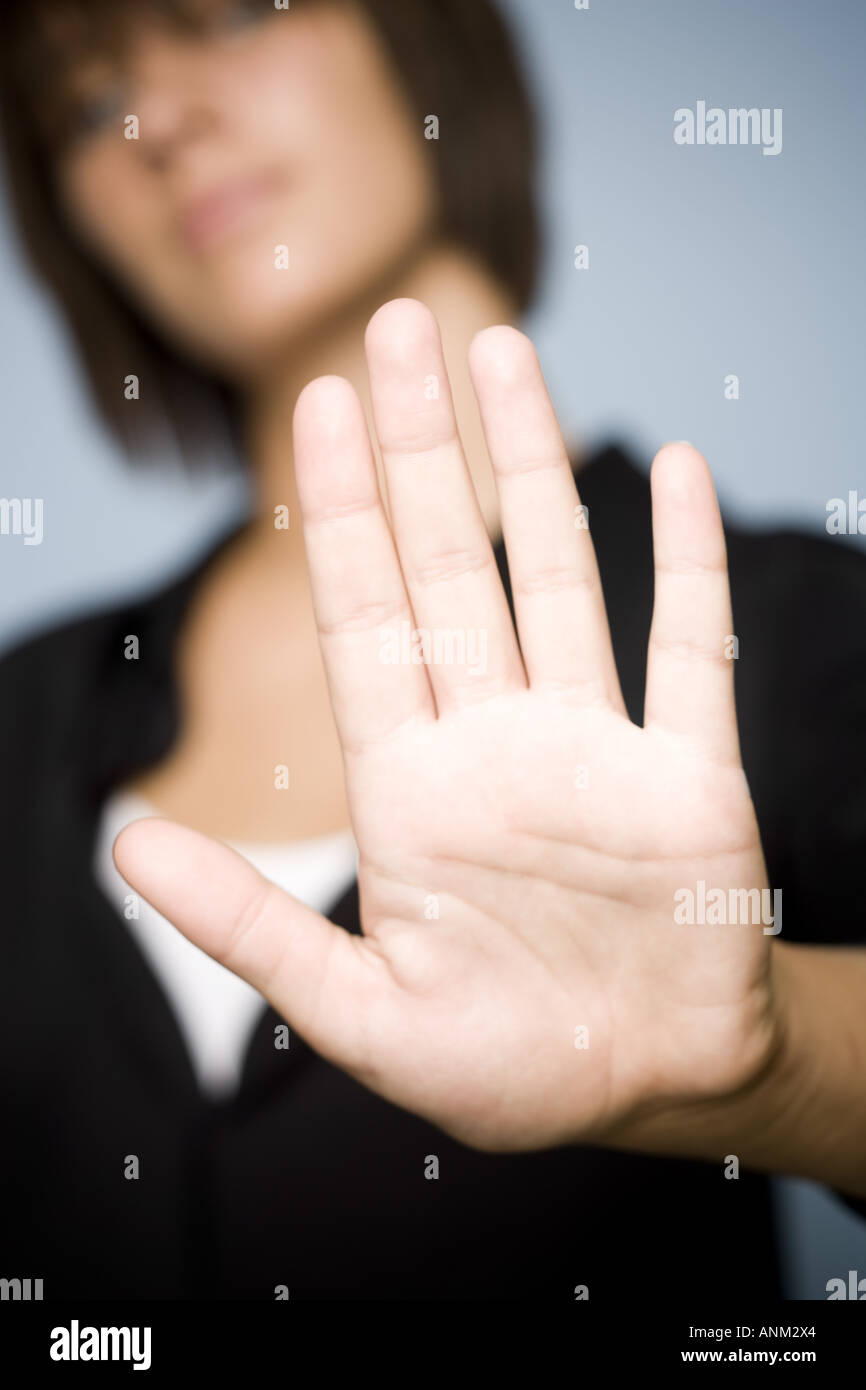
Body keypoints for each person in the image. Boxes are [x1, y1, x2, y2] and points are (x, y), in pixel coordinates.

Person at [0, 0, 864, 1301]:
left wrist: (772, 1052)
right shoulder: (26, 708)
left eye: (231, 15)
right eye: (80, 105)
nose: (153, 119)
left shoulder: (792, 622)